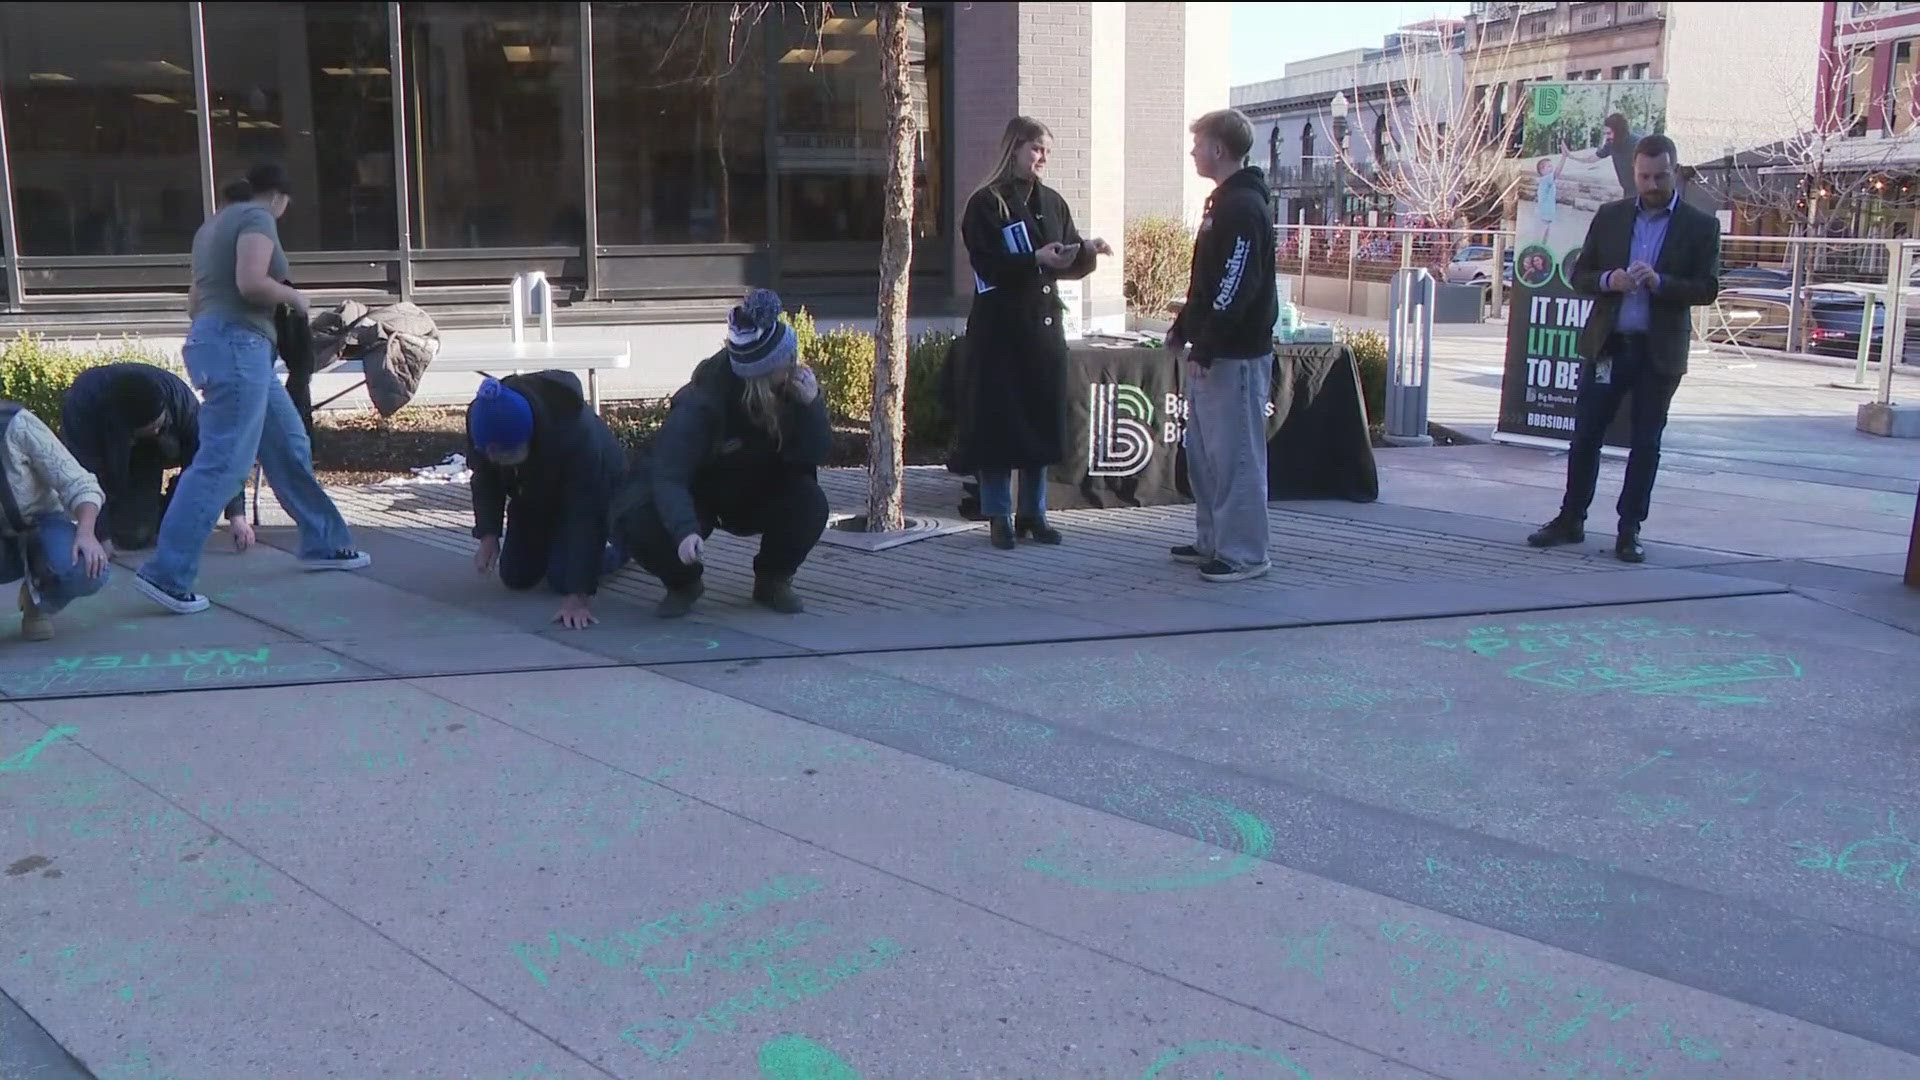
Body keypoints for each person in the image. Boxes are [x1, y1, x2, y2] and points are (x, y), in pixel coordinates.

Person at [133, 163, 369, 615]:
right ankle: (167, 573)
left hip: (222, 343)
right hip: (240, 347)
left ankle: (324, 542)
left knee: (287, 442)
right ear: (279, 196)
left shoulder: (212, 227)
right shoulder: (257, 217)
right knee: (224, 461)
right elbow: (251, 283)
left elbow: (195, 301)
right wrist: (295, 298)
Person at [1528, 134, 1721, 563]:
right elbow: (1580, 274)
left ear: (1675, 171)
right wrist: (1608, 280)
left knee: (1645, 442)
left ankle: (1629, 529)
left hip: (1658, 352)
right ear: (1634, 173)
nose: (1652, 185)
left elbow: (1708, 288)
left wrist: (1661, 283)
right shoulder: (1611, 216)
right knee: (1586, 435)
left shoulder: (1700, 225)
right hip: (1608, 346)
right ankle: (1570, 519)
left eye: (1660, 176)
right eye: (1644, 176)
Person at [610, 289, 830, 618]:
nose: (793, 366)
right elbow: (669, 474)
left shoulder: (794, 390)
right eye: (787, 361)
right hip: (701, 492)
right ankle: (683, 583)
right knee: (637, 518)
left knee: (810, 502)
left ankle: (773, 580)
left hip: (758, 488)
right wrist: (685, 530)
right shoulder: (702, 401)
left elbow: (814, 454)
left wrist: (812, 407)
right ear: (762, 373)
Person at [951, 116, 1112, 549]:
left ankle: (1034, 513)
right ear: (1015, 147)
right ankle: (998, 514)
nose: (1042, 158)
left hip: (1042, 329)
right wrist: (1035, 259)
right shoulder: (986, 203)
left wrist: (1086, 252)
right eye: (1037, 149)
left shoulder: (1053, 201)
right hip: (999, 331)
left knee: (1041, 420)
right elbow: (986, 263)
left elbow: (1066, 261)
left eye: (1047, 152)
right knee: (999, 423)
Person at [1166, 108, 1279, 583]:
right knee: (1207, 455)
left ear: (1218, 149)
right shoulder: (1224, 203)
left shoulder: (1243, 207)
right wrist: (1184, 326)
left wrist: (1207, 343)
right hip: (1219, 350)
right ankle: (1213, 540)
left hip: (1237, 355)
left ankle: (1245, 553)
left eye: (1198, 144)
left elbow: (1236, 283)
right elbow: (1207, 282)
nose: (1192, 151)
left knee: (1236, 456)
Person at [467, 371, 627, 630]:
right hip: (535, 491)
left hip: (598, 490)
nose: (497, 462)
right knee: (516, 576)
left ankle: (622, 546)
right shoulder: (482, 419)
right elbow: (485, 478)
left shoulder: (574, 431)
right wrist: (488, 533)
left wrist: (578, 596)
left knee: (564, 579)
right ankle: (556, 543)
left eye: (507, 456)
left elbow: (586, 512)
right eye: (492, 456)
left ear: (529, 438)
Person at [59, 362, 252, 553]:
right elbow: (87, 476)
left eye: (160, 425)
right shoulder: (82, 407)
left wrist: (237, 517)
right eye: (153, 429)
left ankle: (174, 499)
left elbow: (217, 456)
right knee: (131, 536)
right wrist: (100, 536)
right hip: (109, 442)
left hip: (157, 438)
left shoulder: (181, 403)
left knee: (181, 524)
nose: (158, 431)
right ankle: (141, 508)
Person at [0, 402, 111, 640]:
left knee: (87, 568)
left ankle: (38, 601)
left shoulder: (17, 423)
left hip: (42, 522)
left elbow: (79, 483)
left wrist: (86, 534)